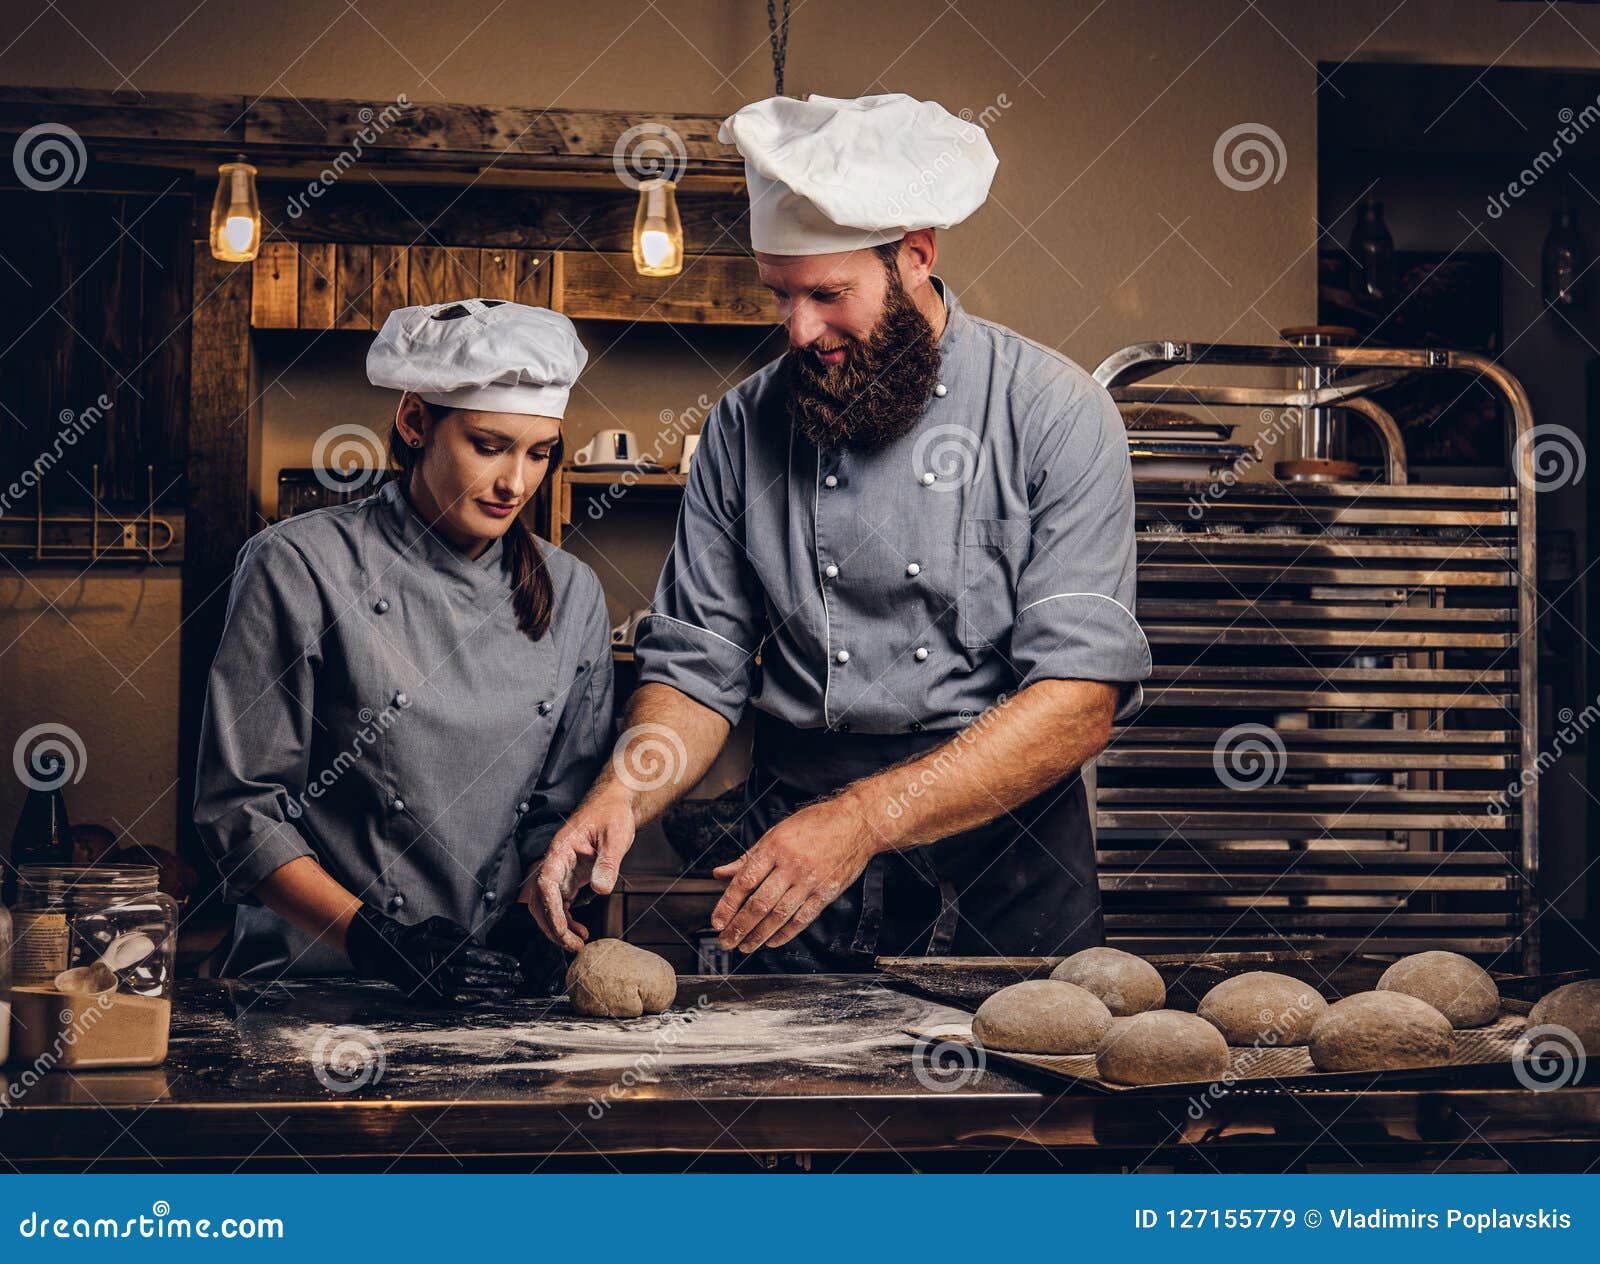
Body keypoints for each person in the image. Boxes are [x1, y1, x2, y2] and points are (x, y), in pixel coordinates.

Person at [530, 92, 1152, 972]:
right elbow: (699, 671)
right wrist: (624, 794)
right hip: (795, 874)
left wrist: (862, 820)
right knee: (790, 1100)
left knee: (1011, 1114)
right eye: (780, 294)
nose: (799, 329)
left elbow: (1079, 703)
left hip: (1006, 873)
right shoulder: (744, 427)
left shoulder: (1054, 412)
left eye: (829, 294)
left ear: (915, 258)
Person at [196, 299, 613, 1003]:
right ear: (416, 421)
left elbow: (566, 812)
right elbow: (242, 811)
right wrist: (374, 941)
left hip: (488, 991)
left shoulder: (573, 593)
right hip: (319, 986)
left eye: (539, 453)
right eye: (489, 445)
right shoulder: (298, 566)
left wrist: (537, 919)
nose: (516, 482)